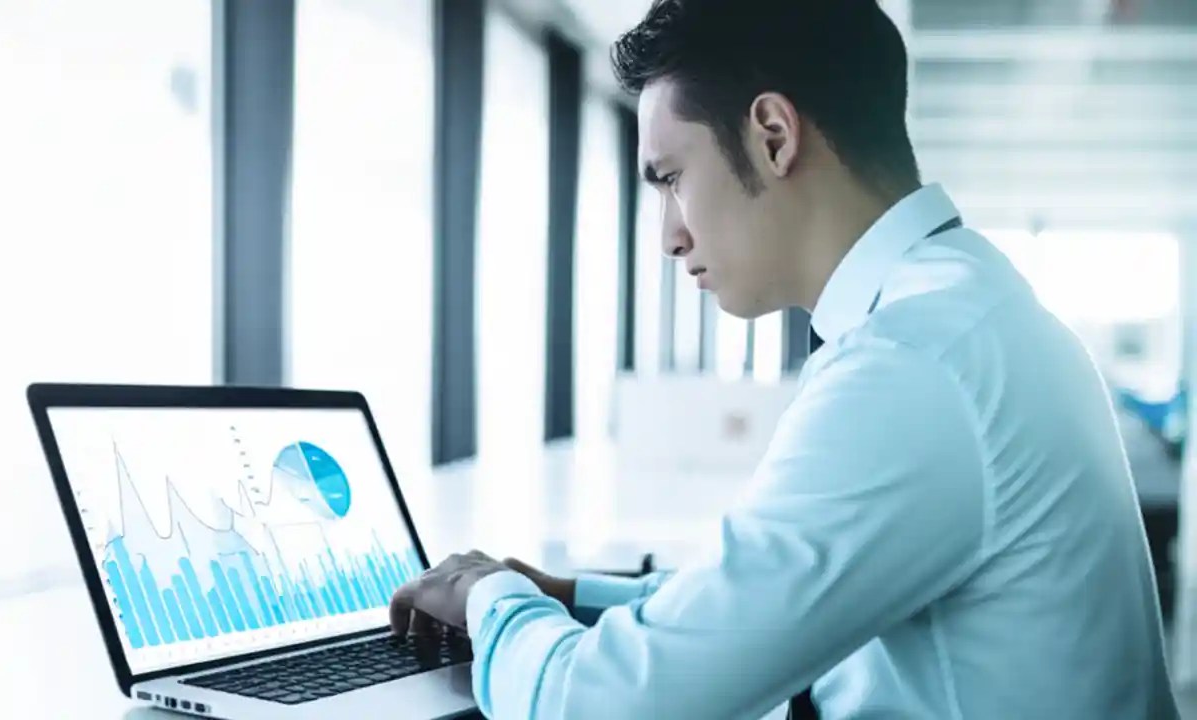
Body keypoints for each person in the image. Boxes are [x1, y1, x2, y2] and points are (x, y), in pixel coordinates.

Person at [389, 0, 1180, 717]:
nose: (669, 235)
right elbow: (784, 606)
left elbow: (605, 707)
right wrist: (572, 597)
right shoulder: (968, 313)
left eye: (670, 179)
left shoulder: (908, 365)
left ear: (773, 136)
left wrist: (489, 597)